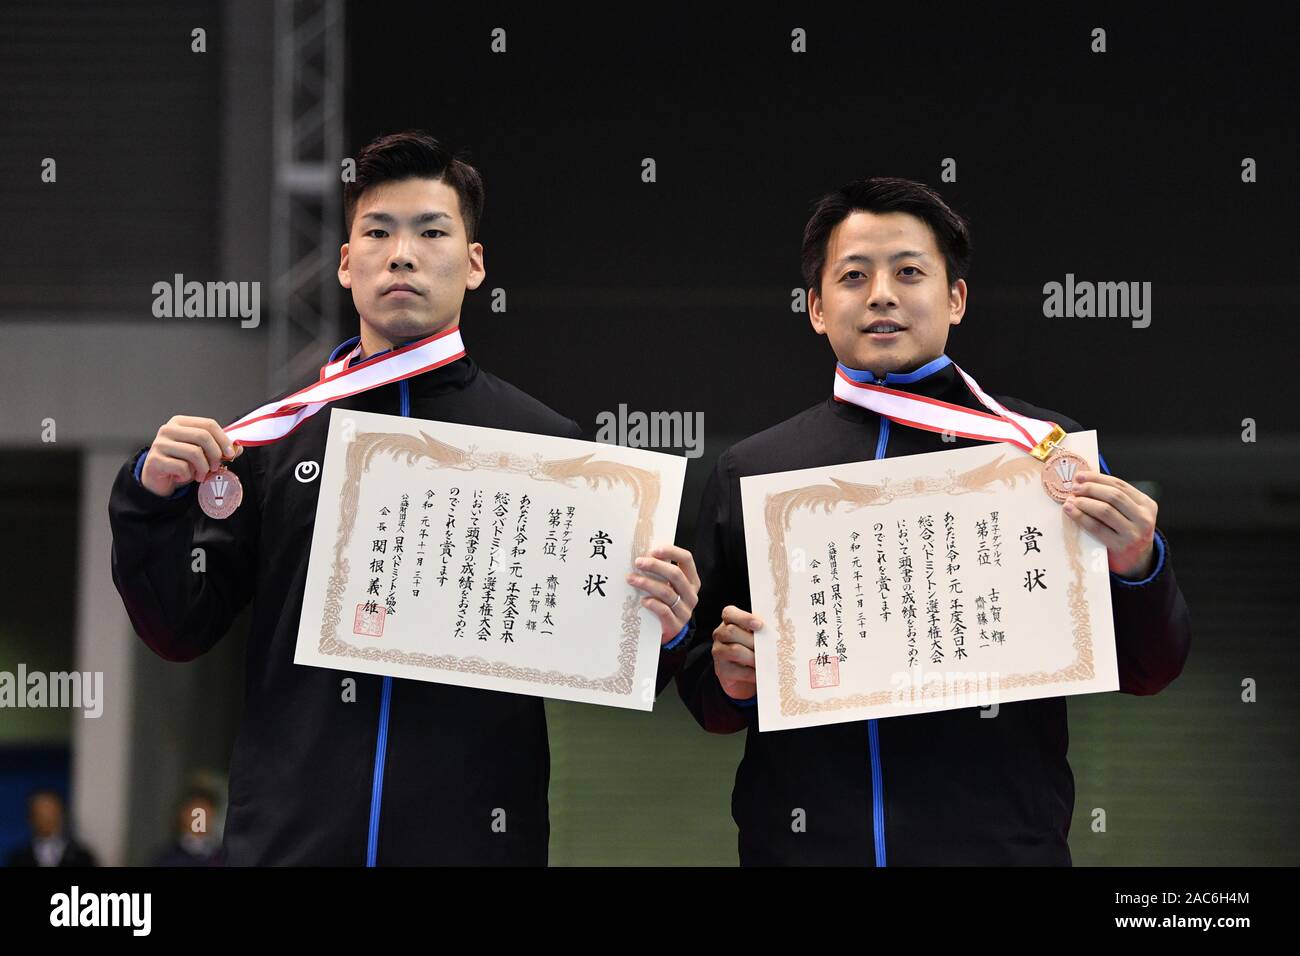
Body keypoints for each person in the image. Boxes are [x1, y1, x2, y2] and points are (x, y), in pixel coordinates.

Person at [109, 131, 700, 865]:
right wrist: (150, 501)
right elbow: (176, 629)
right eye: (378, 232)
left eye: (431, 231)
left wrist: (668, 630)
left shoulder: (549, 449)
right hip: (292, 842)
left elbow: (611, 649)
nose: (402, 253)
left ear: (475, 264)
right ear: (346, 264)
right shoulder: (271, 442)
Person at [676, 177, 1191, 865]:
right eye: (853, 275)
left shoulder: (1040, 454)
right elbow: (709, 701)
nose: (882, 293)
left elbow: (1150, 669)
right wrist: (730, 681)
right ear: (816, 308)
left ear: (956, 299)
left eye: (909, 272)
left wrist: (1138, 564)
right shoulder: (755, 471)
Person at [5, 790, 98, 867]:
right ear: (31, 818)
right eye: (40, 815)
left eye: (51, 813)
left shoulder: (81, 857)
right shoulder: (18, 858)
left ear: (62, 815)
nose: (46, 820)